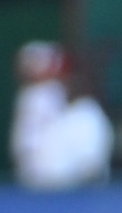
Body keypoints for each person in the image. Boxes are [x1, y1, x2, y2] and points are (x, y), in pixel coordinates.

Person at [10, 37, 112, 187]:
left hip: (83, 194)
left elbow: (92, 166)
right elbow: (25, 152)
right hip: (39, 191)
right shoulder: (36, 97)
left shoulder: (87, 111)